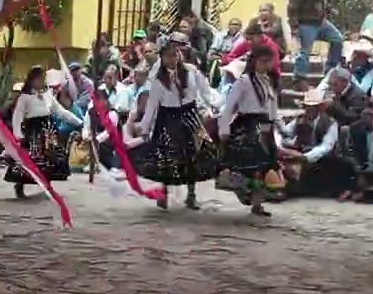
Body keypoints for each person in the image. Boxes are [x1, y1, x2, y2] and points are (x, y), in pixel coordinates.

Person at [137, 41, 221, 210]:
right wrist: (145, 128)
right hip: (168, 117)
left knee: (197, 152)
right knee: (167, 156)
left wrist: (217, 105)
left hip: (190, 114)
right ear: (162, 58)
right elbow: (152, 105)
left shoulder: (191, 72)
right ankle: (164, 191)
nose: (172, 59)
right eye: (168, 56)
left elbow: (205, 91)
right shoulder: (158, 80)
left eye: (174, 55)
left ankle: (191, 194)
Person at [218, 44, 281, 217]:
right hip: (247, 124)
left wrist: (274, 123)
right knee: (248, 164)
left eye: (268, 62)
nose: (265, 65)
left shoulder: (268, 81)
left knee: (264, 165)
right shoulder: (244, 81)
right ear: (254, 62)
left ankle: (257, 203)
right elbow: (230, 106)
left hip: (264, 125)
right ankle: (244, 191)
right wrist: (224, 129)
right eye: (262, 61)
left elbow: (272, 105)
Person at [5, 66, 83, 199]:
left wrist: (78, 122)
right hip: (33, 131)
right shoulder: (24, 97)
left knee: (50, 158)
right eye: (39, 78)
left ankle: (48, 185)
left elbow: (60, 111)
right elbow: (17, 116)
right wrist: (17, 134)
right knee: (29, 160)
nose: (42, 81)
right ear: (32, 80)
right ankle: (20, 184)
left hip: (48, 131)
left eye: (43, 78)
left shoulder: (48, 95)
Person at [277, 88, 357, 199]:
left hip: (321, 158)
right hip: (301, 153)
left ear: (320, 108)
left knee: (335, 163)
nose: (309, 109)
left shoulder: (330, 123)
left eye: (313, 106)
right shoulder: (299, 119)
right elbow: (288, 133)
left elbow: (326, 147)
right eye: (307, 106)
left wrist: (305, 157)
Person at [289, 0, 344, 81]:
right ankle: (299, 78)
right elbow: (292, 6)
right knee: (305, 51)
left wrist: (326, 9)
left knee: (337, 39)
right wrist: (294, 27)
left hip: (319, 21)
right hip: (305, 22)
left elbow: (317, 1)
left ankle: (330, 71)